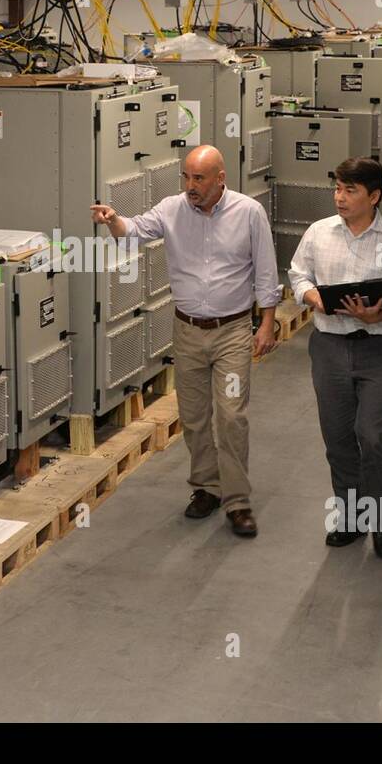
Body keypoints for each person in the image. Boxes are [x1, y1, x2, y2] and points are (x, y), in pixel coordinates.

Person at [91, 145, 280, 538]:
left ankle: (238, 501)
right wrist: (113, 221)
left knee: (231, 416)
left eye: (199, 179)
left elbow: (265, 270)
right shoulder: (172, 208)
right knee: (194, 418)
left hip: (232, 333)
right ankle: (206, 489)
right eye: (186, 177)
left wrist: (266, 323)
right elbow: (134, 231)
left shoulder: (248, 213)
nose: (190, 186)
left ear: (220, 178)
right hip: (188, 332)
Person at [288, 157, 382, 559]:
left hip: (377, 349)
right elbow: (297, 275)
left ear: (374, 196)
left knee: (373, 434)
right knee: (339, 437)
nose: (340, 198)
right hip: (328, 347)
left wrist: (373, 314)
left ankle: (380, 523)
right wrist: (314, 298)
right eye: (338, 189)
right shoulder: (318, 233)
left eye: (350, 191)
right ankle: (351, 517)